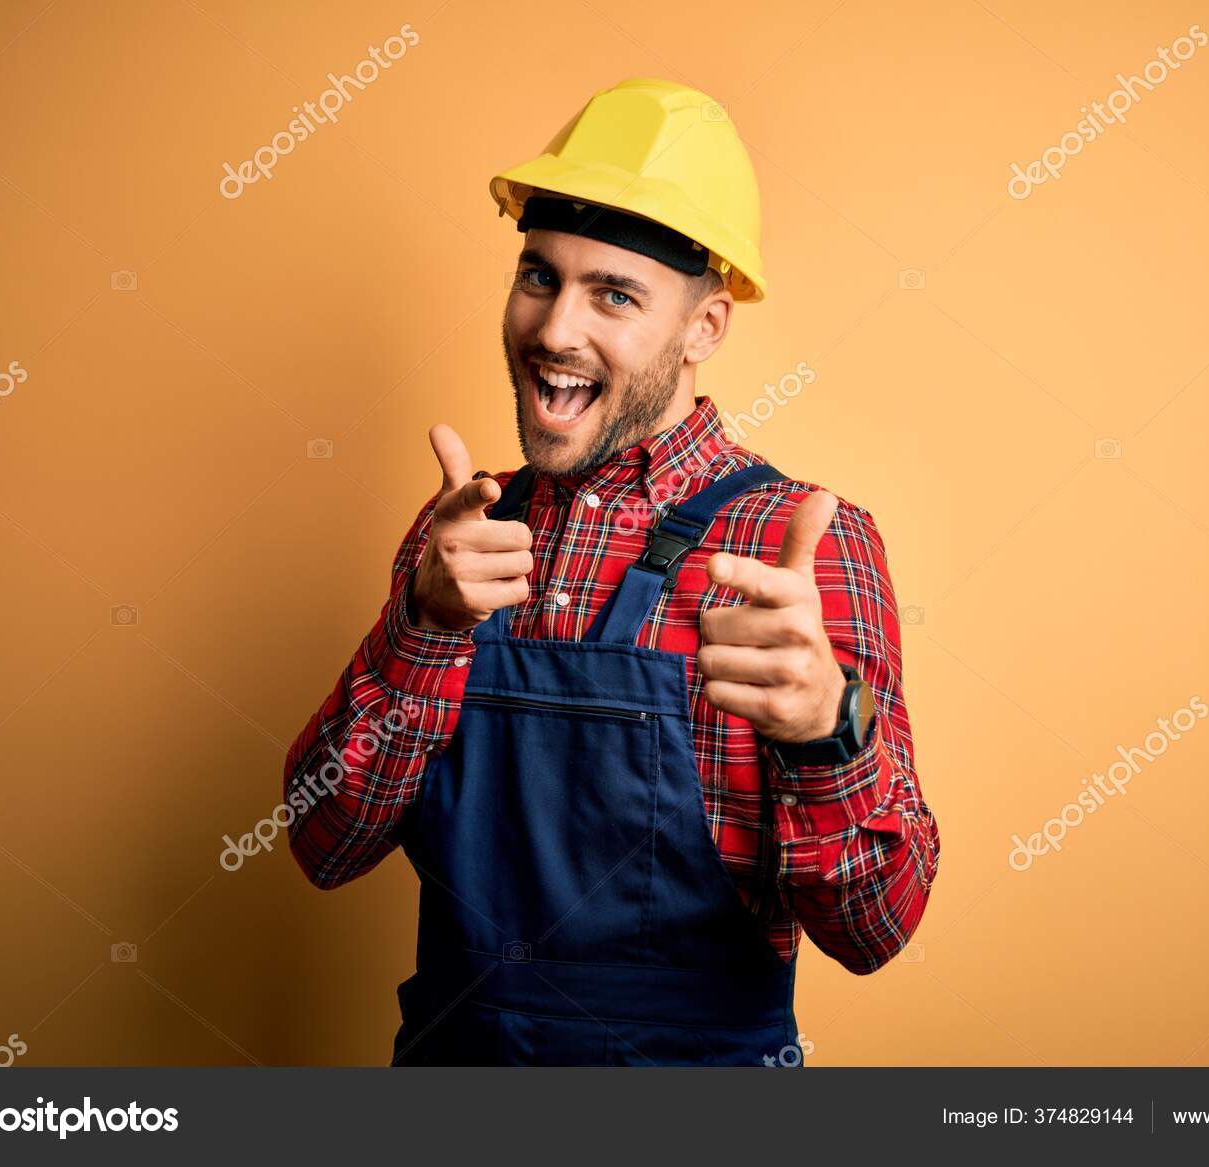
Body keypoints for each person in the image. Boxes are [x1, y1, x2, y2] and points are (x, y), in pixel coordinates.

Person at [284, 78, 940, 1066]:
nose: (553, 331)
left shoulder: (793, 548)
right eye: (539, 276)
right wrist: (423, 626)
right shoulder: (463, 530)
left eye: (615, 295)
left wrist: (824, 733)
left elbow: (874, 930)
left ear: (703, 330)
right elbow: (322, 843)